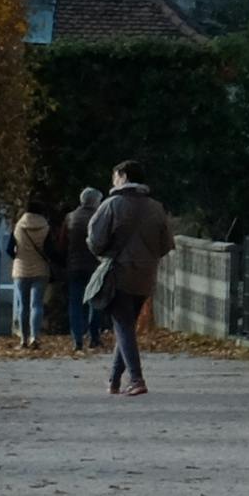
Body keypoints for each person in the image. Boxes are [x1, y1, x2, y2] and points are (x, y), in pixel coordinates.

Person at [86, 163, 175, 397]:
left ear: (123, 177)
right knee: (125, 325)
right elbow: (166, 244)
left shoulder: (112, 205)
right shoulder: (157, 208)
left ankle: (136, 379)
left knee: (123, 325)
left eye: (115, 176)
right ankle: (114, 380)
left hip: (119, 272)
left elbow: (95, 239)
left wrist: (105, 254)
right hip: (146, 275)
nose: (113, 181)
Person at [60, 187, 104, 349]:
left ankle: (77, 339)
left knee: (75, 303)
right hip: (95, 266)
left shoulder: (70, 218)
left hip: (74, 265)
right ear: (95, 202)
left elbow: (62, 243)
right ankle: (94, 336)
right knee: (96, 301)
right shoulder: (100, 217)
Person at [7, 203, 54, 347]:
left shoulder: (18, 227)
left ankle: (23, 339)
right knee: (37, 305)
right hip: (40, 270)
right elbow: (50, 250)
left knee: (23, 306)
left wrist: (19, 257)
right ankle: (35, 337)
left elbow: (9, 249)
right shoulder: (46, 228)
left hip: (21, 270)